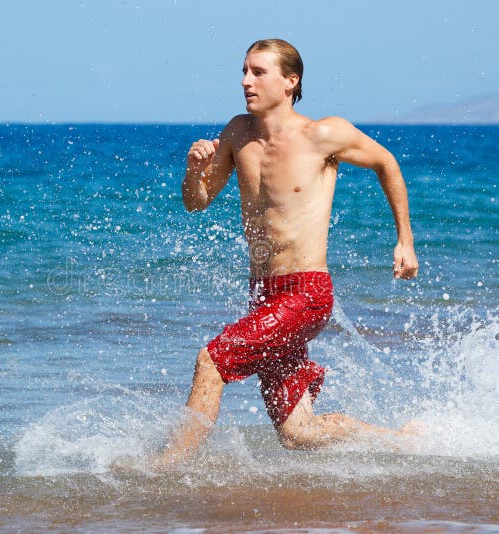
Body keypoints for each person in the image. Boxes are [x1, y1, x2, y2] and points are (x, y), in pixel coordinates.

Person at [155, 38, 419, 466]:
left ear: (290, 81)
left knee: (212, 361)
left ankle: (166, 468)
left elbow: (387, 163)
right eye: (244, 71)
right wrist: (193, 170)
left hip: (306, 293)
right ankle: (403, 441)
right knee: (297, 433)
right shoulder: (237, 133)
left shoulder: (324, 134)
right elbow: (197, 200)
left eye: (258, 72)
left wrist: (404, 241)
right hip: (264, 293)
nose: (245, 81)